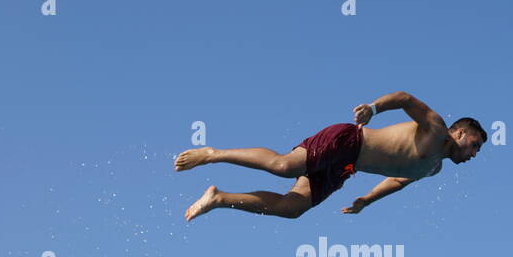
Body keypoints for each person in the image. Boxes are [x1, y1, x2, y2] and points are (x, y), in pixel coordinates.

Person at [176, 91, 485, 221]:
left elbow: (398, 180)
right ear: (459, 133)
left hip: (347, 167)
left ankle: (218, 198)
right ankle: (213, 154)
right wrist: (373, 108)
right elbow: (406, 99)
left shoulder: (433, 169)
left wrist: (366, 200)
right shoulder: (436, 128)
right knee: (284, 166)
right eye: (474, 144)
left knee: (292, 208)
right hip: (348, 140)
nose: (474, 153)